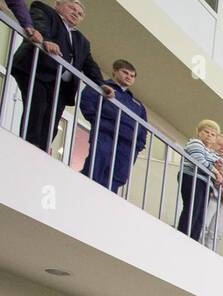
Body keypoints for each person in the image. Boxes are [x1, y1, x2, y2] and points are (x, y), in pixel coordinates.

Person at [11, 1, 112, 151]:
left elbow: (89, 64)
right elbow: (39, 24)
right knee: (37, 109)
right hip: (37, 72)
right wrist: (47, 40)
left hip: (61, 87)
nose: (75, 14)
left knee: (51, 125)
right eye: (72, 8)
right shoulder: (44, 10)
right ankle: (28, 147)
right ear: (58, 5)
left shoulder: (82, 41)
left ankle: (40, 152)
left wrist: (101, 83)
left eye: (79, 14)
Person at [77, 59, 147, 195]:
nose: (129, 77)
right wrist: (100, 122)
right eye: (125, 73)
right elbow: (87, 102)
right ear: (115, 71)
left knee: (119, 174)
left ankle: (107, 197)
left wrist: (138, 145)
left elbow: (143, 128)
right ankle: (86, 192)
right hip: (105, 133)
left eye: (132, 76)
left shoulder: (137, 104)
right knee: (98, 163)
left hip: (127, 144)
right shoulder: (102, 87)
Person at [176, 119, 223, 241]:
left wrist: (218, 173)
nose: (209, 135)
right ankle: (183, 236)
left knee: (200, 215)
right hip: (192, 178)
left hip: (205, 183)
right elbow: (199, 160)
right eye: (206, 132)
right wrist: (216, 172)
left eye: (213, 134)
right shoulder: (195, 143)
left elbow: (219, 168)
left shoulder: (212, 153)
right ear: (199, 133)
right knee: (192, 208)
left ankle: (193, 239)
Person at [200, 134, 223, 252]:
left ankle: (211, 254)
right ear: (213, 144)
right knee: (204, 226)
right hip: (210, 198)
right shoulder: (207, 158)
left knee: (216, 232)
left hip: (221, 202)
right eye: (220, 145)